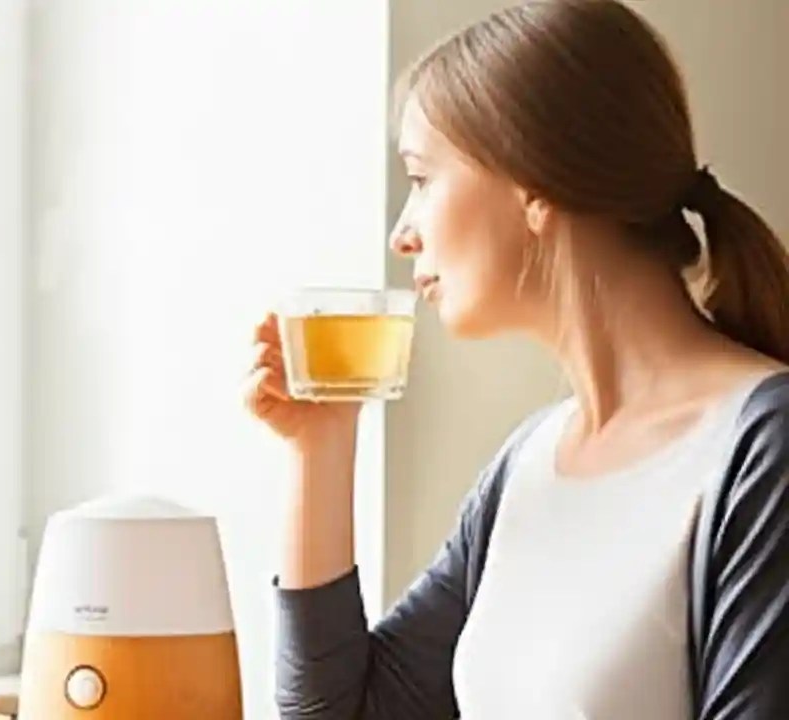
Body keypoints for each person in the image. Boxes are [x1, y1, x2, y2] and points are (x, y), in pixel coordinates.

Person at [242, 1, 789, 718]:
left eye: (421, 178)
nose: (401, 236)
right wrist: (322, 445)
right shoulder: (529, 463)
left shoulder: (761, 450)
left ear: (535, 185)